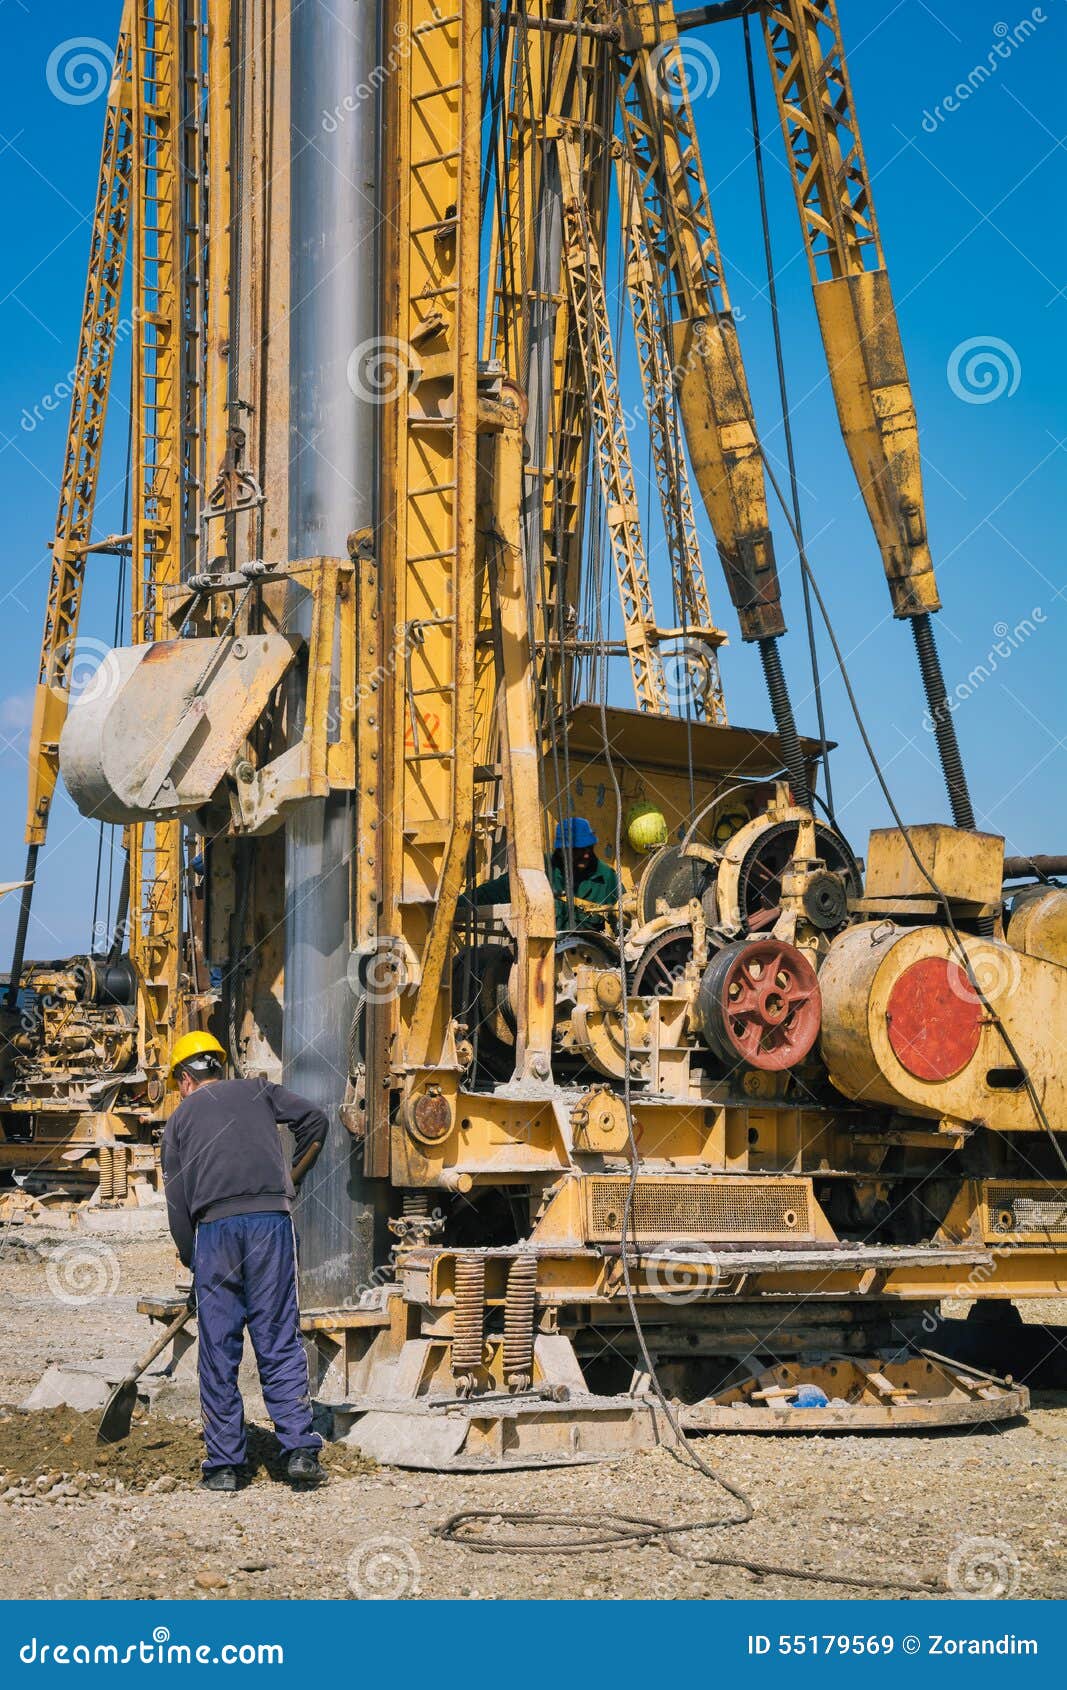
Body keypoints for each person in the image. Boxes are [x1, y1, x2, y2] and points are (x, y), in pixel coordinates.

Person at [161, 1031, 329, 1492]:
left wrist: (194, 1262)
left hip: (215, 1231)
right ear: (219, 1066)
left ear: (184, 1079)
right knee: (278, 1336)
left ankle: (224, 1467)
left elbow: (177, 1205)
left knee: (218, 1348)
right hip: (270, 1224)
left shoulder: (178, 1122)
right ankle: (299, 1451)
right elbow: (315, 1121)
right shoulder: (258, 1090)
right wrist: (292, 1180)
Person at [463, 815, 620, 931]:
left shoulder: (607, 878)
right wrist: (452, 909)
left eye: (588, 848)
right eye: (578, 850)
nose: (586, 855)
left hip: (590, 961)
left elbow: (628, 917)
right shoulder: (534, 870)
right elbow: (489, 894)